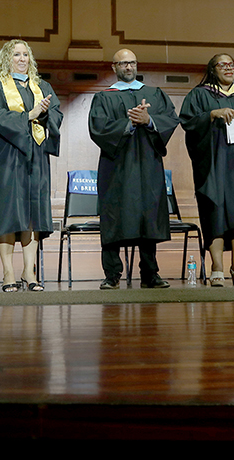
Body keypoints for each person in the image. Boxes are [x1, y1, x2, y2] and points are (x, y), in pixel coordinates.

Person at [89, 48, 179, 289]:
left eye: (132, 63)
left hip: (148, 165)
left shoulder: (153, 94)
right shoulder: (104, 97)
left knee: (148, 216)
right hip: (116, 168)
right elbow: (98, 128)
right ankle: (112, 275)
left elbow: (171, 119)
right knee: (114, 217)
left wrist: (149, 121)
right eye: (123, 64)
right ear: (114, 68)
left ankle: (150, 273)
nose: (128, 67)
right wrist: (128, 123)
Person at [181, 53, 234, 286]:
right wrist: (211, 114)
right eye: (223, 65)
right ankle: (217, 267)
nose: (229, 68)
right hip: (214, 165)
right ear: (212, 69)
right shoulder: (200, 95)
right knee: (215, 211)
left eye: (232, 64)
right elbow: (188, 123)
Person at [0, 39, 62, 292]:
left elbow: (57, 114)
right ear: (7, 58)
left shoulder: (42, 86)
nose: (22, 59)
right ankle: (8, 272)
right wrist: (27, 115)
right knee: (8, 213)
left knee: (32, 212)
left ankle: (29, 271)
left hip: (36, 157)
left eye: (25, 55)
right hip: (7, 157)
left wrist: (47, 113)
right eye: (16, 54)